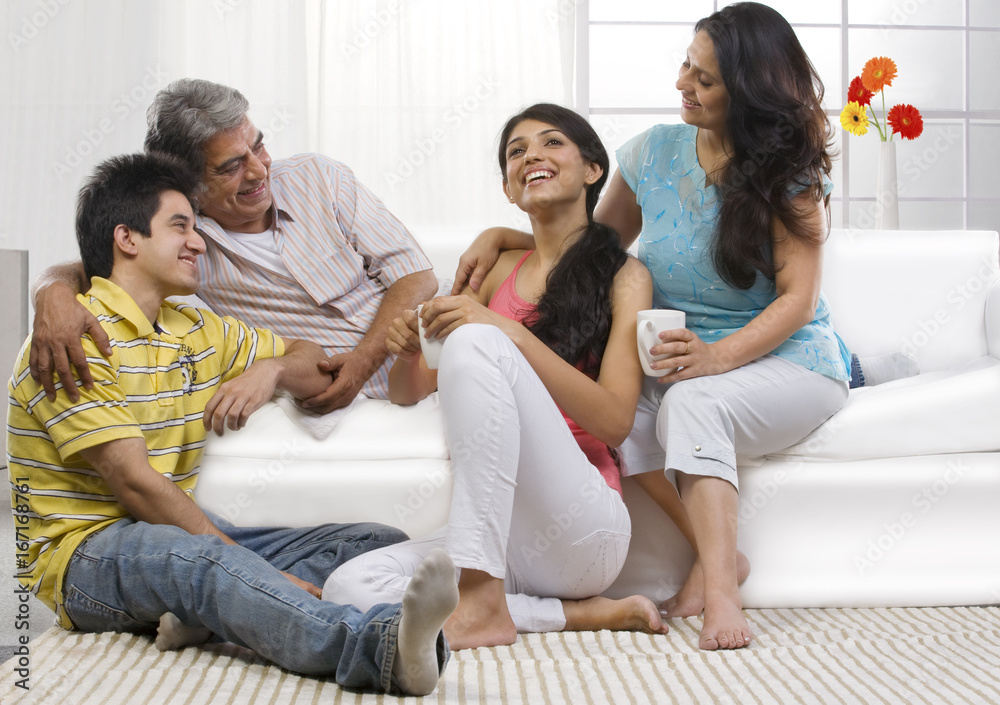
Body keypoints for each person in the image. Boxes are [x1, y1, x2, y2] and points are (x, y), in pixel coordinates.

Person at [450, 3, 868, 651]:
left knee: (693, 404)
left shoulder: (791, 176)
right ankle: (721, 558)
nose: (682, 84)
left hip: (791, 360)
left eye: (704, 79)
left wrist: (715, 359)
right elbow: (594, 245)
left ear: (748, 90)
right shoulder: (653, 153)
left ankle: (721, 593)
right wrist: (503, 234)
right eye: (685, 65)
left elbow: (797, 301)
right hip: (682, 360)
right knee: (624, 406)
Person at [6, 152, 457, 695]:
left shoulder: (195, 328)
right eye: (180, 227)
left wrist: (272, 371)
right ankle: (379, 651)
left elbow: (312, 362)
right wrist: (237, 559)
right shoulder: (69, 342)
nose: (198, 243)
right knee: (203, 561)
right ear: (126, 239)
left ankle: (211, 611)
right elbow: (131, 481)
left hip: (171, 534)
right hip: (83, 557)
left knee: (372, 541)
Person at [324, 103, 666, 649]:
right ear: (509, 188)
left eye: (552, 142)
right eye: (516, 151)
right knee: (349, 586)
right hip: (501, 538)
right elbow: (411, 393)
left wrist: (508, 332)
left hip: (584, 528)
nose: (531, 155)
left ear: (592, 169)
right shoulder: (496, 271)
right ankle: (562, 615)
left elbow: (615, 421)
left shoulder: (626, 277)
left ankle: (482, 596)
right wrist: (409, 354)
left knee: (476, 337)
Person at [28, 78, 438, 412]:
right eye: (232, 166)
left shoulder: (319, 177)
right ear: (190, 183)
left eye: (257, 146)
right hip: (370, 388)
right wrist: (51, 294)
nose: (259, 171)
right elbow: (91, 266)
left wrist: (363, 362)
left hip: (431, 353)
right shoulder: (187, 241)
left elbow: (417, 276)